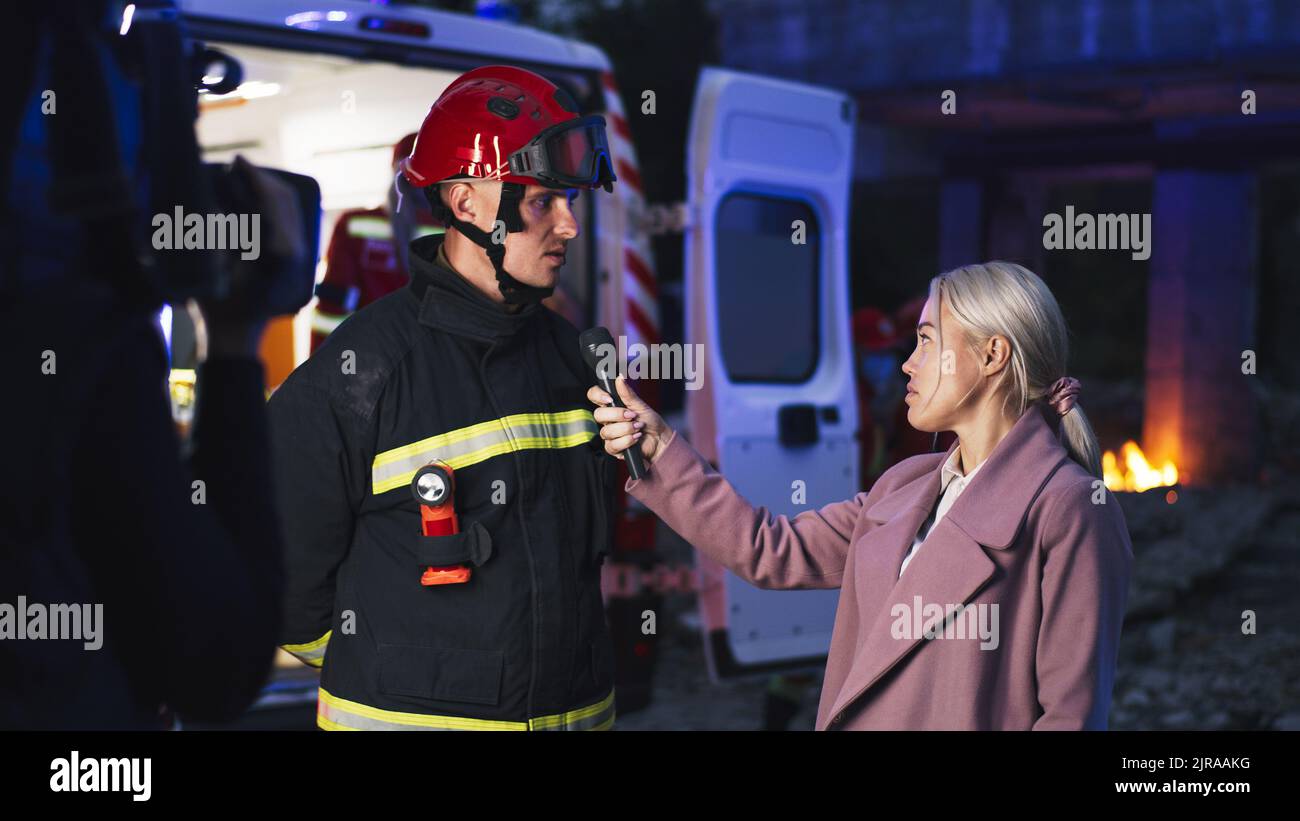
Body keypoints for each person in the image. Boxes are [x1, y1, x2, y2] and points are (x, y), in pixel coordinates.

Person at [590, 261, 1134, 730]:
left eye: (926, 340)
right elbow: (767, 549)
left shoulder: (1070, 509)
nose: (907, 363)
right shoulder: (904, 485)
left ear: (992, 354)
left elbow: (1070, 716)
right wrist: (661, 449)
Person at [270, 65, 620, 731]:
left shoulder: (573, 357)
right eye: (545, 202)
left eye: (570, 201)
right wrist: (389, 661)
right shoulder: (362, 368)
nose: (570, 227)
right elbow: (285, 574)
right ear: (465, 204)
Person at [308, 133, 442, 353]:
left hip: (368, 365)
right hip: (436, 366)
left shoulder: (355, 225)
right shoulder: (458, 232)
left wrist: (317, 376)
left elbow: (333, 309)